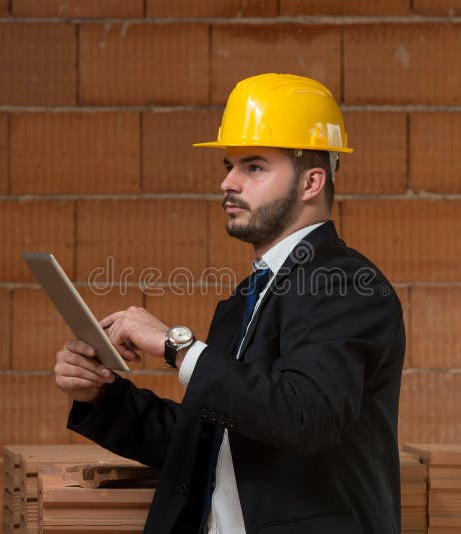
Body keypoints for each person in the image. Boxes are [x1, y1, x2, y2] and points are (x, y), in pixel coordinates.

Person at [54, 73, 405, 534]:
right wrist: (101, 395)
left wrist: (175, 345)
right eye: (228, 165)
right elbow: (207, 443)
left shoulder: (347, 285)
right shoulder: (249, 297)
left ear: (311, 182)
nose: (228, 182)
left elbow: (304, 416)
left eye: (253, 167)